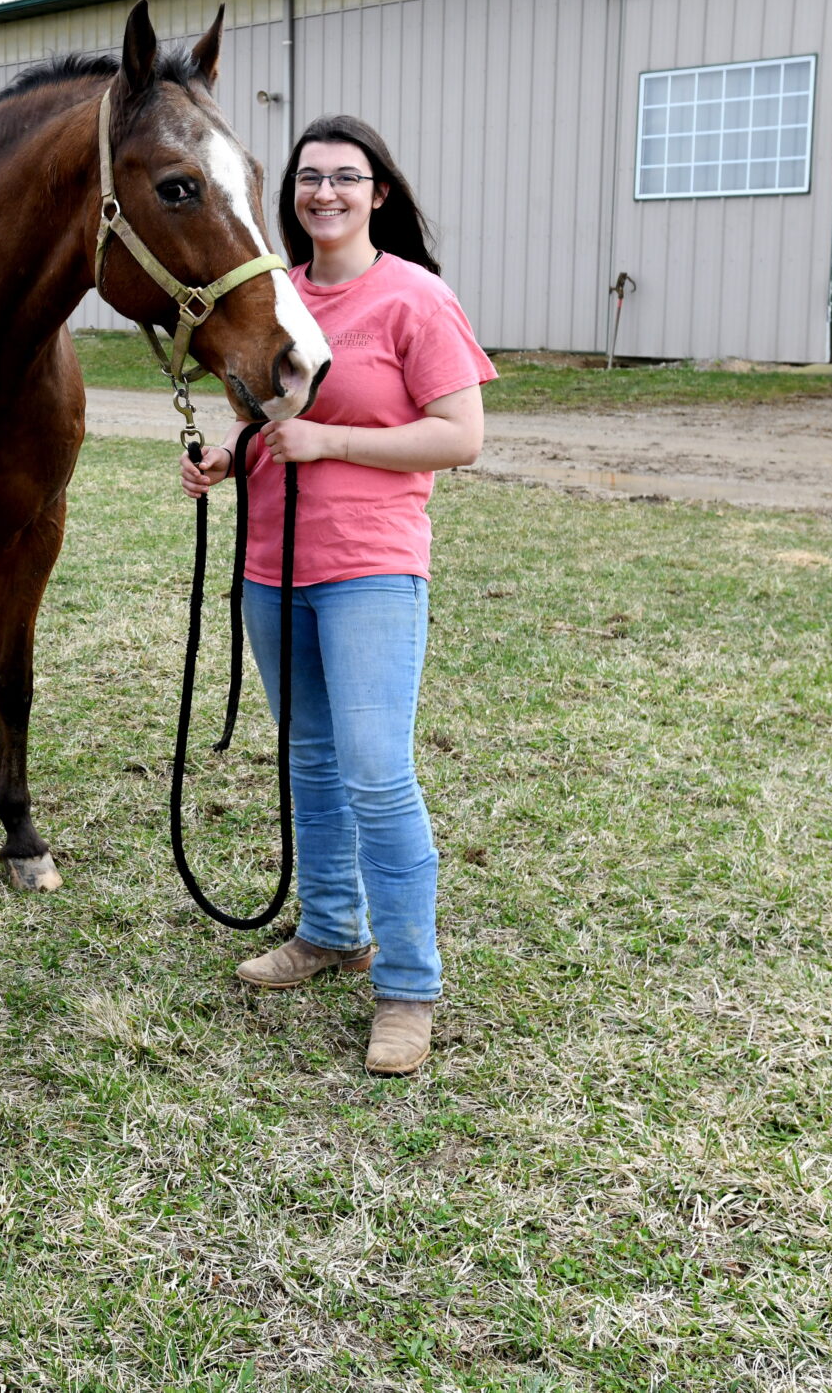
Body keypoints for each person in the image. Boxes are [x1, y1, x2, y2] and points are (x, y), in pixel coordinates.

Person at [177, 114, 492, 1076]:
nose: (325, 194)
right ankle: (330, 927)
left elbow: (459, 435)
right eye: (310, 179)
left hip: (370, 567)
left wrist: (336, 444)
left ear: (378, 193)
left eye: (345, 178)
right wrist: (232, 456)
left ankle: (408, 985)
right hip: (273, 568)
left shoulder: (414, 300)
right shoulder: (277, 297)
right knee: (309, 758)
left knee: (375, 769)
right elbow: (272, 418)